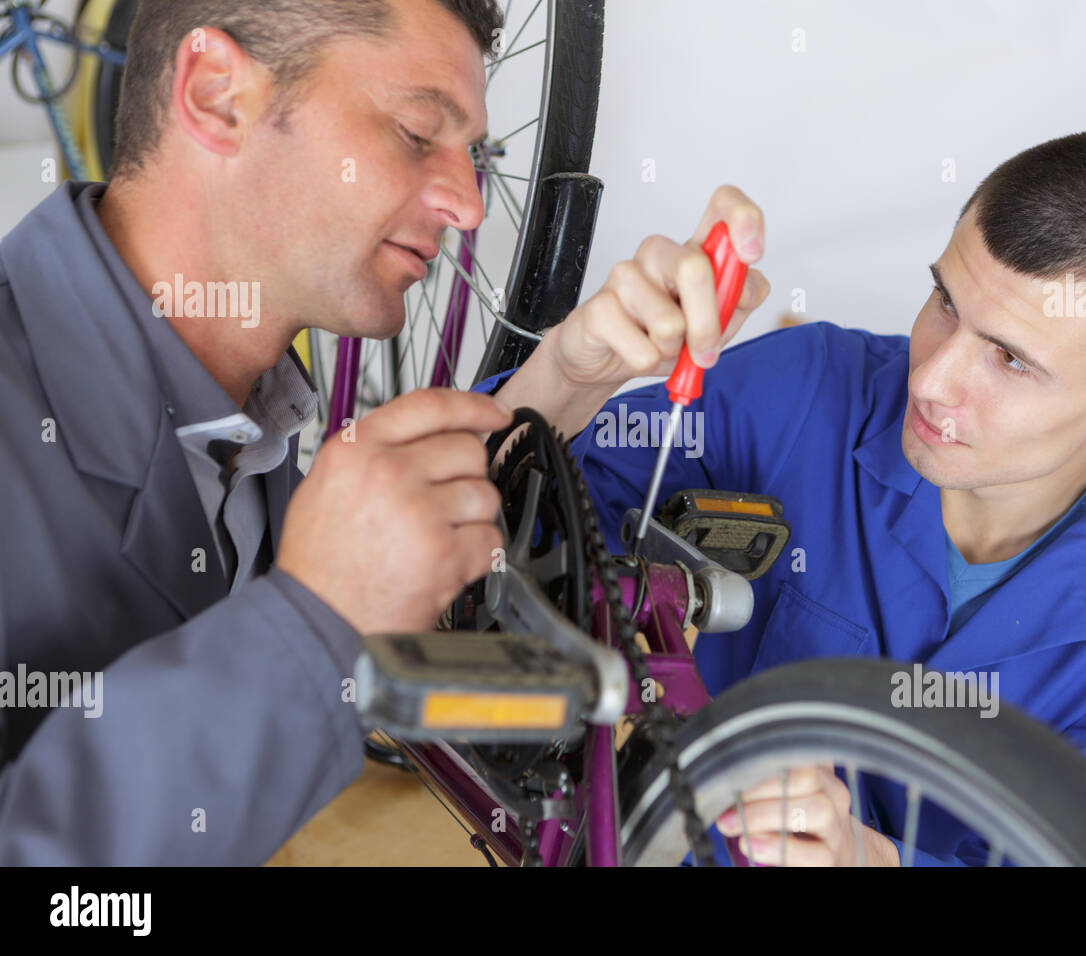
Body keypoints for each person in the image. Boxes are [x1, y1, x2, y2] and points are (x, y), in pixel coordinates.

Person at [0, 0, 769, 864]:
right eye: (416, 132)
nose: (470, 206)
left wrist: (568, 376)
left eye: (473, 155)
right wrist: (311, 620)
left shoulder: (244, 421)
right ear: (217, 96)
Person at [485, 129, 1086, 866]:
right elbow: (493, 539)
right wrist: (571, 377)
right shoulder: (807, 387)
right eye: (946, 301)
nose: (932, 379)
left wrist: (873, 858)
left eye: (1010, 360)